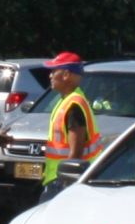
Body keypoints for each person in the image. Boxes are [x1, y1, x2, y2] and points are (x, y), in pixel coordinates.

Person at [37, 52, 97, 198]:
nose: (50, 76)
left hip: (64, 181)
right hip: (60, 178)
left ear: (66, 74)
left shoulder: (73, 105)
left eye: (53, 71)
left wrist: (66, 181)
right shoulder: (67, 100)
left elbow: (75, 152)